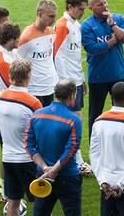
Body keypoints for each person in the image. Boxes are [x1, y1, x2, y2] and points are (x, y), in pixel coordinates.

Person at [25, 79, 85, 216]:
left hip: (43, 176)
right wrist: (54, 170)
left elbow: (29, 144)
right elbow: (71, 150)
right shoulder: (73, 120)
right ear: (71, 96)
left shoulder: (37, 115)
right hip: (67, 176)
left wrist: (46, 169)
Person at [82, 0, 124, 139]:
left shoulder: (118, 18)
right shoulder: (86, 26)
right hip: (98, 78)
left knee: (122, 113)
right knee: (95, 116)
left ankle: (119, 141)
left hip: (118, 76)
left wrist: (113, 25)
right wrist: (112, 41)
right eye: (100, 4)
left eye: (105, 2)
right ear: (91, 8)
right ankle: (95, 149)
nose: (105, 6)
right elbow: (92, 49)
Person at [90, 82, 124, 215]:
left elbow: (94, 154)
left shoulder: (99, 121)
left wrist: (102, 180)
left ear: (111, 98)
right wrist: (122, 185)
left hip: (107, 187)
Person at [0, 59, 43, 216]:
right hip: (27, 160)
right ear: (28, 77)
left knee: (13, 202)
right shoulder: (33, 103)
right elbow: (41, 133)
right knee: (42, 203)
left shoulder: (1, 98)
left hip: (7, 158)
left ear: (10, 76)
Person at [55, 0, 91, 173]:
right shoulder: (62, 26)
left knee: (76, 119)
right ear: (69, 7)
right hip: (68, 82)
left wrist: (81, 79)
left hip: (75, 80)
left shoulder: (75, 25)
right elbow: (58, 55)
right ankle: (76, 160)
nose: (83, 12)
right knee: (74, 120)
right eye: (80, 9)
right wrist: (65, 82)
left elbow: (75, 57)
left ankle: (75, 159)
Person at [18, 0, 59, 106]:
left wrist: (55, 80)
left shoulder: (52, 33)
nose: (54, 20)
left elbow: (49, 59)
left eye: (54, 16)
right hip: (33, 89)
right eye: (50, 16)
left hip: (49, 88)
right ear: (39, 14)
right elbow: (17, 61)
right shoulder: (26, 37)